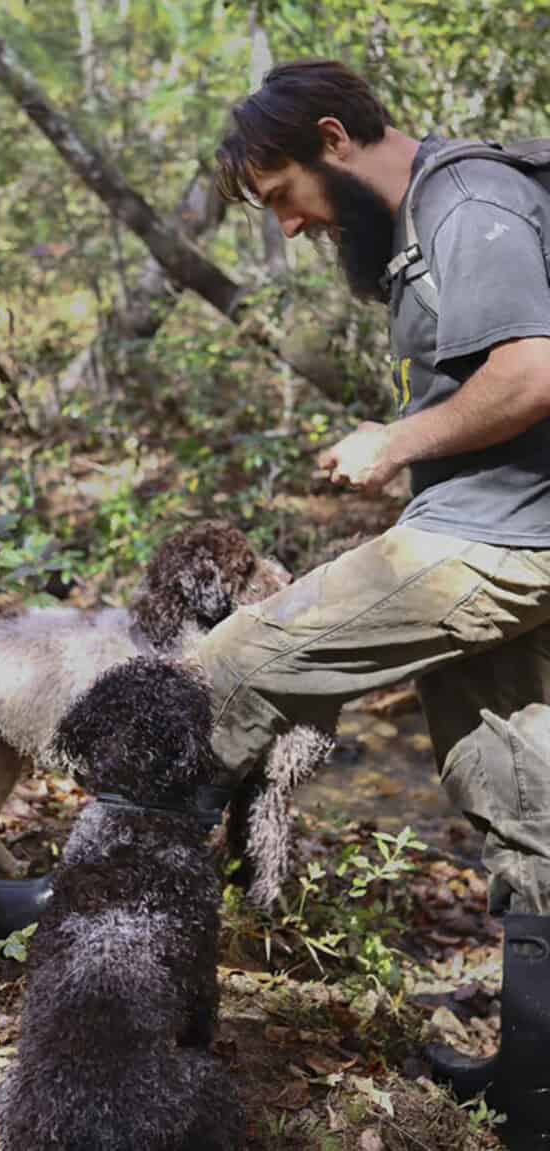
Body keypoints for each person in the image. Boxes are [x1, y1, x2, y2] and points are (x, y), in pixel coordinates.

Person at [201, 58, 550, 1151]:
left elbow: (533, 373)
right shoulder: (421, 227)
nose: (294, 229)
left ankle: (96, 906)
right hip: (512, 527)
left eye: (283, 198)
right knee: (522, 791)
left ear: (334, 137)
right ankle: (535, 1094)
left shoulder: (472, 202)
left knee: (232, 660)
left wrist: (394, 441)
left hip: (499, 540)